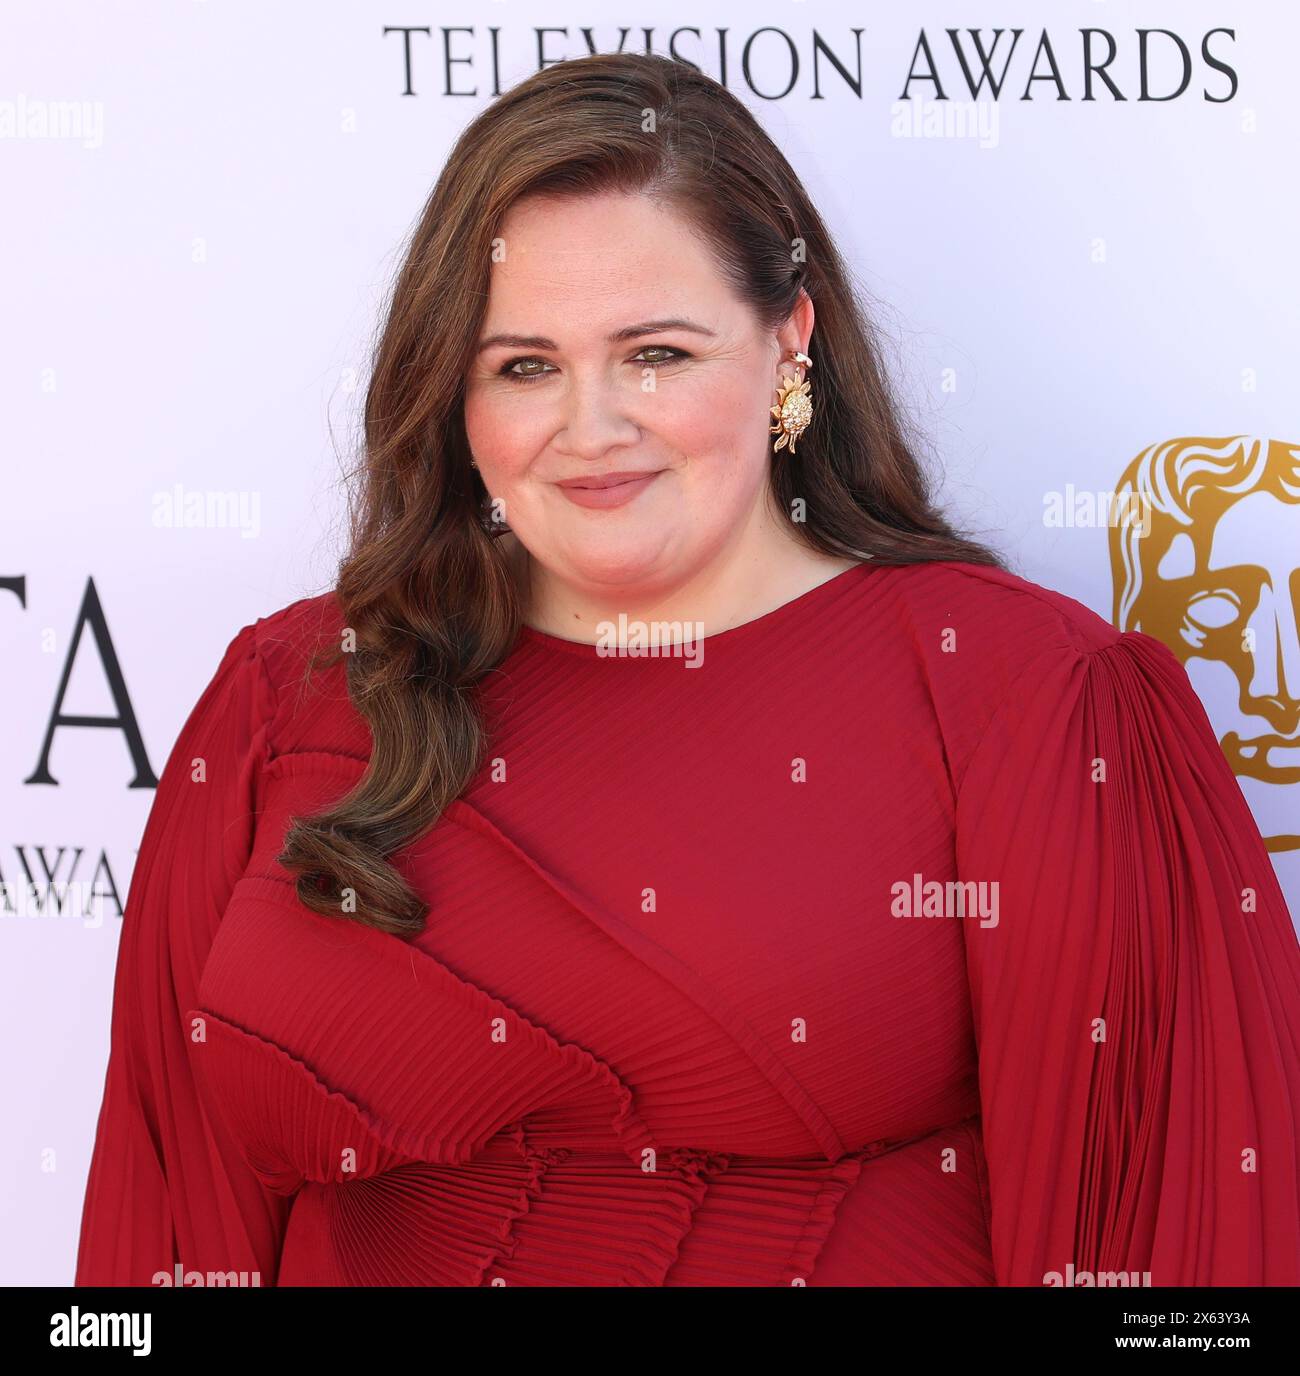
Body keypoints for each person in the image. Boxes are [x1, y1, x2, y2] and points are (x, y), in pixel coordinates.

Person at [75, 51, 1300, 1288]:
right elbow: (163, 1226)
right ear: (455, 392)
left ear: (787, 347)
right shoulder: (289, 689)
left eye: (655, 353)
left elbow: (1166, 1262)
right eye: (524, 365)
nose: (591, 424)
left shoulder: (1034, 699)